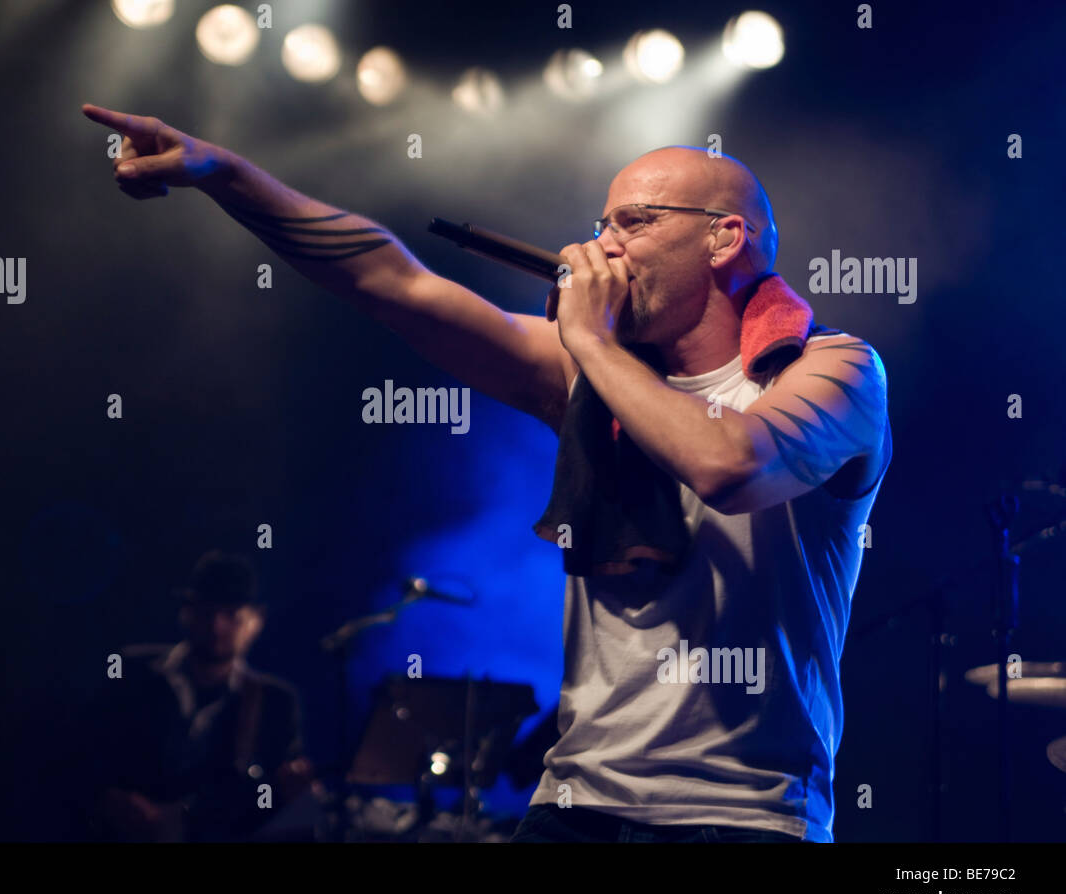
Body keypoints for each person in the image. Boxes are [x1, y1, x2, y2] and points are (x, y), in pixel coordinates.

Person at [80, 105, 891, 843]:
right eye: (600, 224)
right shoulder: (589, 378)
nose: (602, 247)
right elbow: (390, 282)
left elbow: (729, 464)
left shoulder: (833, 370)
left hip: (744, 817)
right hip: (575, 806)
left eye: (635, 223)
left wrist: (591, 341)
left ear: (724, 237)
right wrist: (224, 173)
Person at [90, 550, 314, 842]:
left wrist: (295, 794)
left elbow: (274, 802)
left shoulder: (276, 702)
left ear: (256, 620)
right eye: (207, 612)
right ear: (187, 612)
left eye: (232, 615)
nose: (217, 626)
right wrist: (111, 799)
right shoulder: (130, 674)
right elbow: (86, 756)